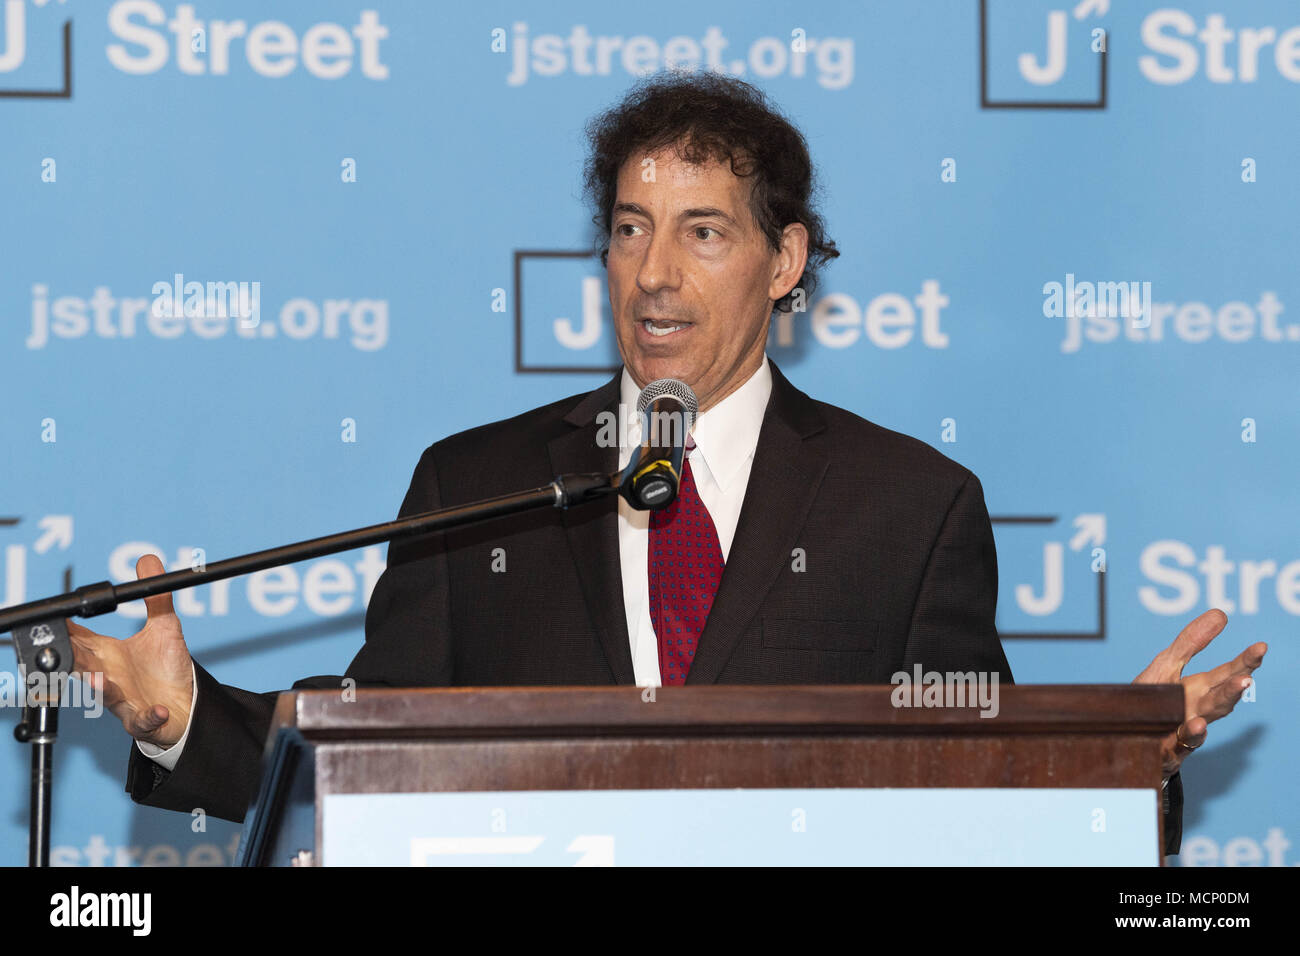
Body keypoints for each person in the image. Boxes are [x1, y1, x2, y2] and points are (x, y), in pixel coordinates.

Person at [69, 72, 1264, 856]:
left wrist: (1116, 759)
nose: (653, 276)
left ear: (785, 259)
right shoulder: (477, 485)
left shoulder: (908, 507)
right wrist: (181, 716)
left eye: (703, 233)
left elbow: (971, 782)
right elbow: (354, 762)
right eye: (630, 231)